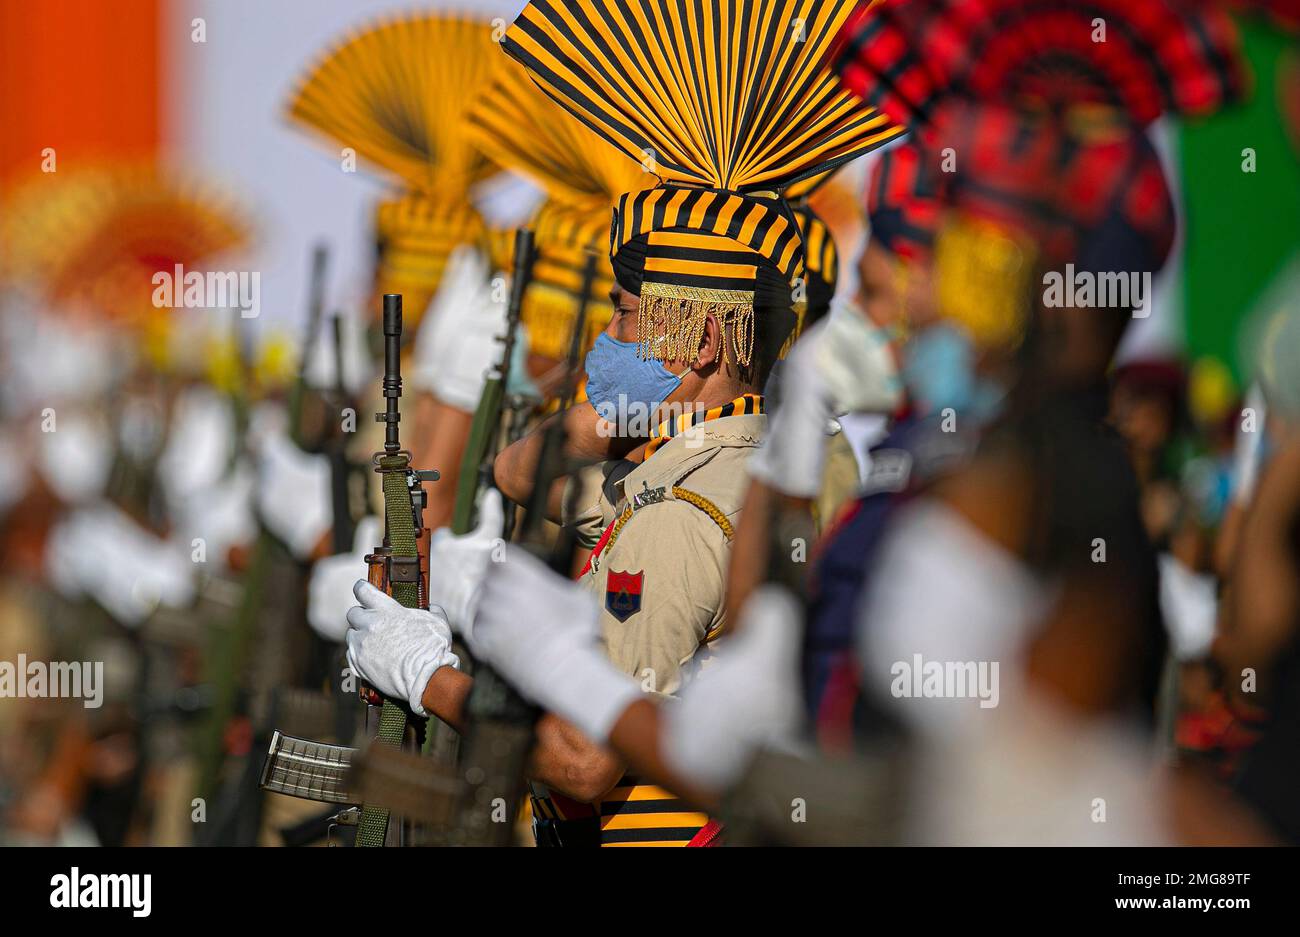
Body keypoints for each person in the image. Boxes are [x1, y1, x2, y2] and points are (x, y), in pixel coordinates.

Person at [343, 0, 901, 847]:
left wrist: (428, 676)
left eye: (630, 316)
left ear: (705, 338)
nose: (607, 340)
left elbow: (580, 759)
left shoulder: (681, 514)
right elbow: (521, 472)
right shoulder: (754, 463)